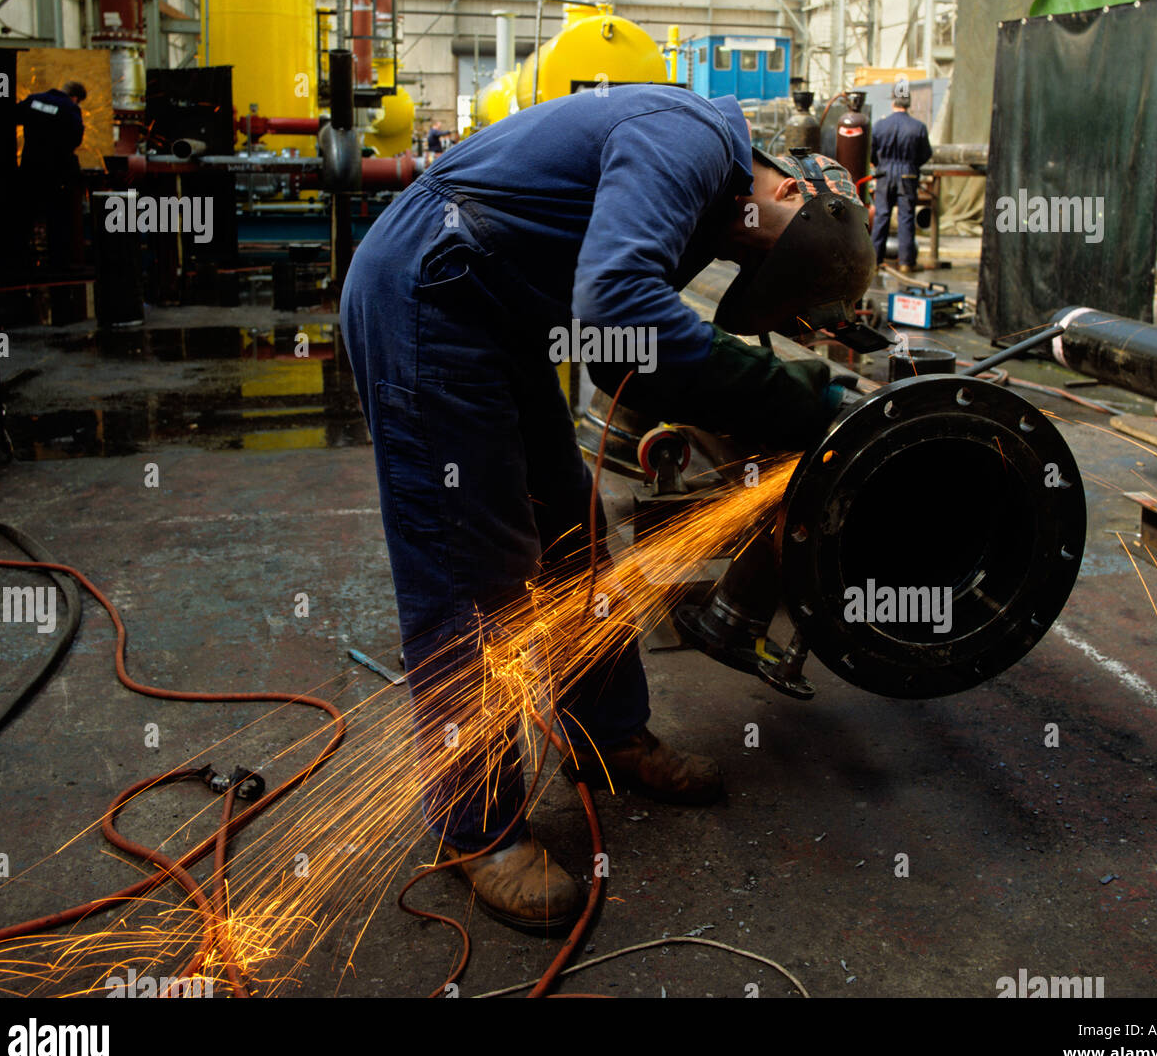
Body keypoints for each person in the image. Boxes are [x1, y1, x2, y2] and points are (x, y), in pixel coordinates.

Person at [341, 84, 877, 934]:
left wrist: (738, 401)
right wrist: (797, 401)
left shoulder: (706, 187)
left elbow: (610, 352)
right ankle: (475, 831)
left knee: (571, 536)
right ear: (786, 189)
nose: (738, 264)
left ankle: (607, 738)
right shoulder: (695, 139)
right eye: (759, 260)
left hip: (496, 316)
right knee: (469, 568)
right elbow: (620, 305)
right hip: (427, 297)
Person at [16, 81, 86, 272]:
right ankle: (58, 266)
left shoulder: (33, 100)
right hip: (56, 174)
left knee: (24, 218)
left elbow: (14, 116)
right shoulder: (70, 108)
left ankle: (20, 262)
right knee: (58, 221)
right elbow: (76, 137)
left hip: (30, 170)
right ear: (75, 97)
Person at [869, 76, 932, 275]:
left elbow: (870, 152)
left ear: (893, 100)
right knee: (906, 218)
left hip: (884, 174)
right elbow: (926, 154)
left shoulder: (880, 126)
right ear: (909, 101)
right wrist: (912, 166)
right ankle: (906, 262)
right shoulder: (918, 127)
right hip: (908, 175)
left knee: (881, 217)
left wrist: (879, 165)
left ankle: (875, 262)